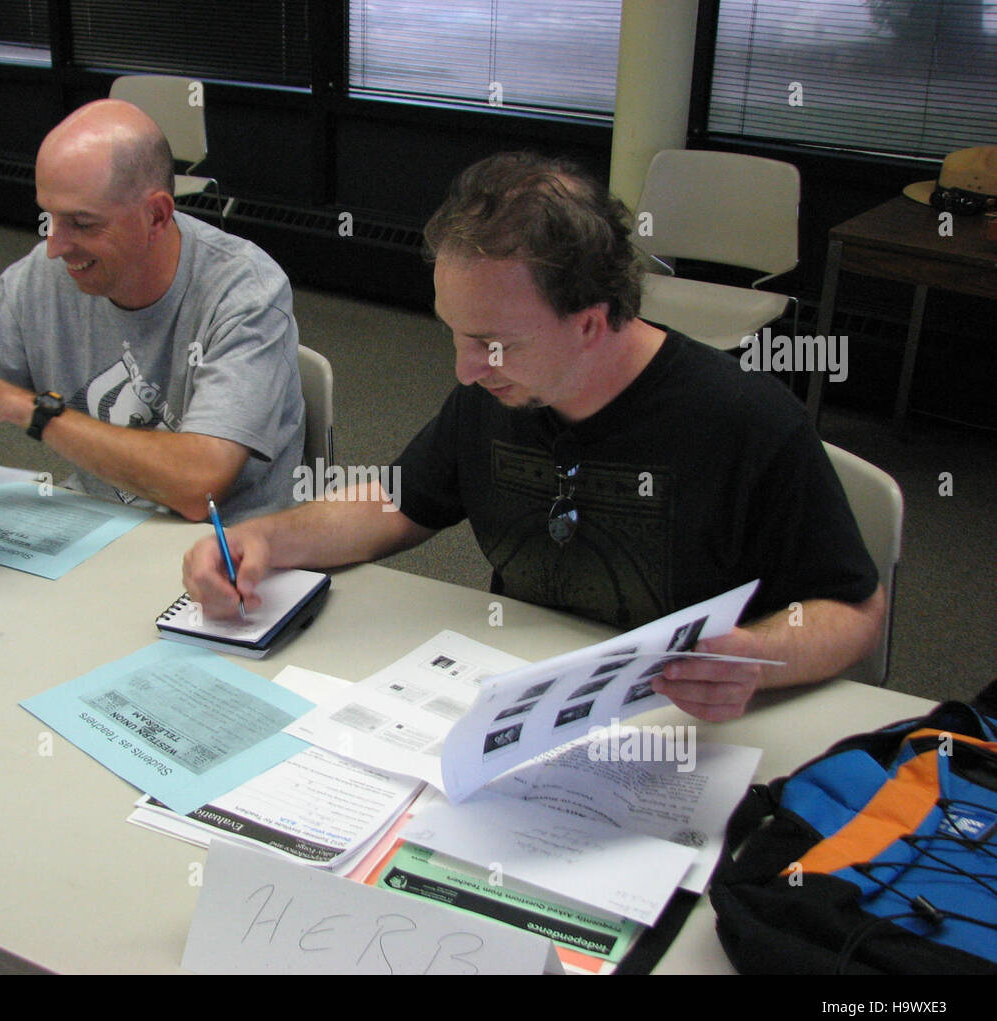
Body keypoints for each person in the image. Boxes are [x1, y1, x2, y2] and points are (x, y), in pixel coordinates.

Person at [183, 151, 886, 722]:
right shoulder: (497, 391)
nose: (464, 368)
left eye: (493, 343)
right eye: (454, 333)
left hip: (682, 726)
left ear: (589, 321)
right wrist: (270, 540)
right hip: (521, 700)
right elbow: (395, 505)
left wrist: (755, 658)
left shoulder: (745, 422)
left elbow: (855, 607)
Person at [0, 98, 304, 523]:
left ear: (157, 217)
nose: (55, 247)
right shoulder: (39, 282)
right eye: (50, 217)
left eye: (82, 223)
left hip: (228, 552)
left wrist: (31, 409)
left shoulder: (245, 292)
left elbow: (197, 488)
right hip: (97, 529)